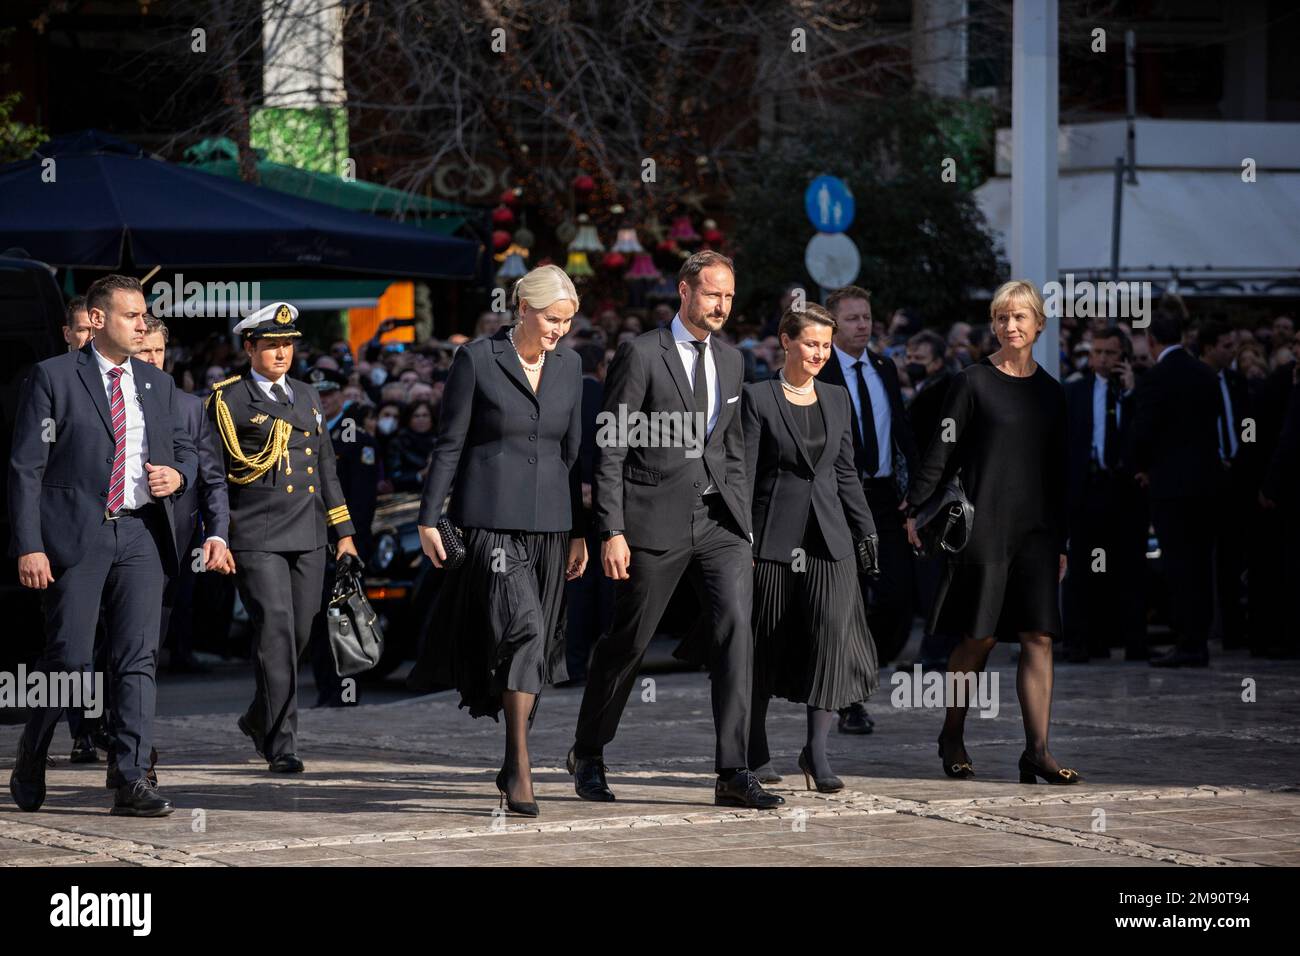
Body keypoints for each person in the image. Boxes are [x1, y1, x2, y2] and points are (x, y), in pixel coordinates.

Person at [570, 250, 783, 810]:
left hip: (721, 524)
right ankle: (588, 751)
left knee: (738, 631)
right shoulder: (641, 353)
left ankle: (733, 772)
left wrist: (746, 525)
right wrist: (610, 529)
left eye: (730, 296)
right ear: (685, 291)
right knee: (630, 641)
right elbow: (611, 445)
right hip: (652, 520)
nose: (722, 306)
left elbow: (732, 446)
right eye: (713, 294)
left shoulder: (734, 360)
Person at [9, 274, 196, 816]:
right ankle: (33, 748)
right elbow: (26, 468)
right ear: (97, 320)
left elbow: (185, 450)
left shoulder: (157, 384)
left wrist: (177, 478)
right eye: (131, 316)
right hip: (77, 535)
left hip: (140, 533)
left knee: (137, 658)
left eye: (145, 316)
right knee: (67, 660)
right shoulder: (52, 378)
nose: (143, 325)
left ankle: (131, 778)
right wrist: (29, 544)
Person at [414, 265, 587, 817]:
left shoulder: (571, 365)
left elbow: (573, 454)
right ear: (523, 309)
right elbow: (449, 443)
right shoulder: (477, 359)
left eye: (567, 321)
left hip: (554, 527)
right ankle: (522, 764)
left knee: (532, 646)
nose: (560, 330)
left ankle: (512, 762)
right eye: (552, 318)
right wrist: (427, 516)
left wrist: (585, 530)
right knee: (525, 628)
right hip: (490, 524)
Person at [904, 279, 1080, 785]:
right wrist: (916, 505)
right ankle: (952, 734)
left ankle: (1038, 752)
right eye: (1003, 317)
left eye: (1021, 317)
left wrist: (1063, 542)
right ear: (994, 325)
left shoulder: (1051, 393)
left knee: (1039, 636)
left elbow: (1060, 471)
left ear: (1039, 325)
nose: (1011, 325)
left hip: (1038, 532)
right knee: (978, 637)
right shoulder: (972, 382)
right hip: (984, 526)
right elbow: (942, 449)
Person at [207, 301, 358, 772]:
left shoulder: (308, 396)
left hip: (309, 530)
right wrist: (216, 535)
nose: (281, 354)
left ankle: (258, 715)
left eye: (288, 346)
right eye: (271, 345)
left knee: (300, 632)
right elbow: (214, 474)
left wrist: (345, 534)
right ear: (249, 347)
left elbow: (326, 467)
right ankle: (282, 742)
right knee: (274, 629)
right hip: (255, 531)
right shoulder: (227, 399)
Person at [743, 303, 878, 792]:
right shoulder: (756, 398)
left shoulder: (837, 399)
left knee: (830, 642)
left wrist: (867, 532)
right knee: (764, 644)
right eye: (810, 343)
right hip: (772, 541)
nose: (820, 353)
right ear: (786, 341)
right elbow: (744, 476)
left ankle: (816, 753)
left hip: (830, 539)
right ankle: (755, 749)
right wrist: (747, 539)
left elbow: (845, 472)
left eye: (825, 344)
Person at [817, 285, 919, 734]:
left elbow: (901, 433)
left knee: (899, 594)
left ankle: (862, 666)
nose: (864, 325)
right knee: (849, 598)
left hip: (883, 497)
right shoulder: (821, 370)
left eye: (867, 316)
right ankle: (849, 698)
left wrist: (916, 493)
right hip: (840, 499)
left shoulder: (883, 367)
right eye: (854, 318)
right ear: (835, 325)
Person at [1129, 307, 1221, 668]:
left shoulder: (1155, 378)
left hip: (1170, 487)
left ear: (1152, 342)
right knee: (1201, 564)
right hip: (1207, 483)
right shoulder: (1206, 374)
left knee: (1180, 566)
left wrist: (1143, 467)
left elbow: (1144, 431)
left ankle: (1187, 643)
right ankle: (1199, 639)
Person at [1061, 326, 1148, 663]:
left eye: (1109, 353)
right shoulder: (1076, 391)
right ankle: (1080, 642)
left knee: (1129, 568)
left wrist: (1130, 393)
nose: (1101, 359)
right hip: (1088, 491)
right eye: (1096, 352)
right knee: (1083, 568)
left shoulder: (1136, 391)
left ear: (1123, 356)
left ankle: (1133, 642)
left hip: (1125, 490)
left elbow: (1142, 434)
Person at [307, 366, 380, 708]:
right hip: (309, 541)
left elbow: (362, 504)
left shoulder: (356, 440)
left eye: (329, 394)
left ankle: (346, 693)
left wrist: (348, 542)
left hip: (341, 545)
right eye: (317, 394)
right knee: (319, 622)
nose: (324, 400)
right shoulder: (303, 433)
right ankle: (326, 689)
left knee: (346, 620)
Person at [560, 342, 614, 687]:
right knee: (608, 581)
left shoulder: (561, 395)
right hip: (605, 500)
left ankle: (575, 665)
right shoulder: (605, 396)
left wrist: (576, 483)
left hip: (570, 501)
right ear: (599, 367)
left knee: (577, 581)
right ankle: (607, 664)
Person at [1199, 319, 1254, 650]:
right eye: (1226, 346)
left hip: (1236, 477)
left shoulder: (1236, 381)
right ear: (1208, 348)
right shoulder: (1195, 380)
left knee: (1234, 559)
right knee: (1204, 559)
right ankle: (1204, 628)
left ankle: (1234, 629)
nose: (1233, 352)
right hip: (1206, 478)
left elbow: (1247, 421)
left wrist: (1245, 451)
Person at [385, 399, 437, 492]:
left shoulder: (440, 442)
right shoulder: (397, 443)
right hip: (408, 497)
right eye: (416, 416)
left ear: (432, 419)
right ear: (408, 419)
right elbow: (395, 477)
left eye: (425, 415)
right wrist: (421, 475)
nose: (421, 419)